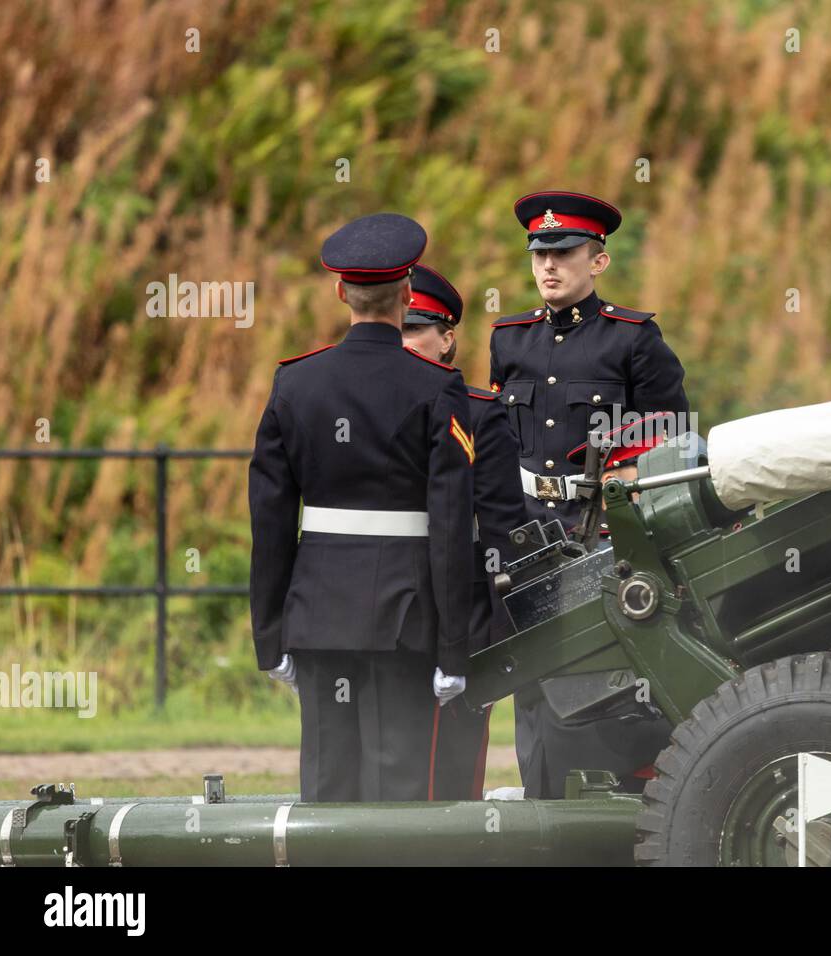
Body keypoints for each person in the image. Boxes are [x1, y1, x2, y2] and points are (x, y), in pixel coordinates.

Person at [248, 213, 475, 803]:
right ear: (406, 293)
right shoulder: (435, 386)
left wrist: (269, 635)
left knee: (327, 787)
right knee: (399, 793)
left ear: (341, 292)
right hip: (405, 616)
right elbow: (449, 525)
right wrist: (455, 647)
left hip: (318, 612)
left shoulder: (294, 383)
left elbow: (269, 520)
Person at [488, 190, 689, 798]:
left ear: (597, 261)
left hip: (601, 534)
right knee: (534, 681)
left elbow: (671, 436)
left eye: (565, 253)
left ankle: (618, 813)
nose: (549, 266)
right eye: (538, 255)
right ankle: (543, 810)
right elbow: (500, 439)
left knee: (611, 680)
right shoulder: (510, 338)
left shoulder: (633, 339)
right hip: (529, 532)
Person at [402, 264, 526, 799]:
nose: (402, 339)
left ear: (447, 338)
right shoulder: (353, 404)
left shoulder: (478, 413)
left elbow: (502, 529)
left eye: (414, 327)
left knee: (448, 781)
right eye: (395, 326)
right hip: (376, 611)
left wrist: (501, 630)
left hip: (455, 616)